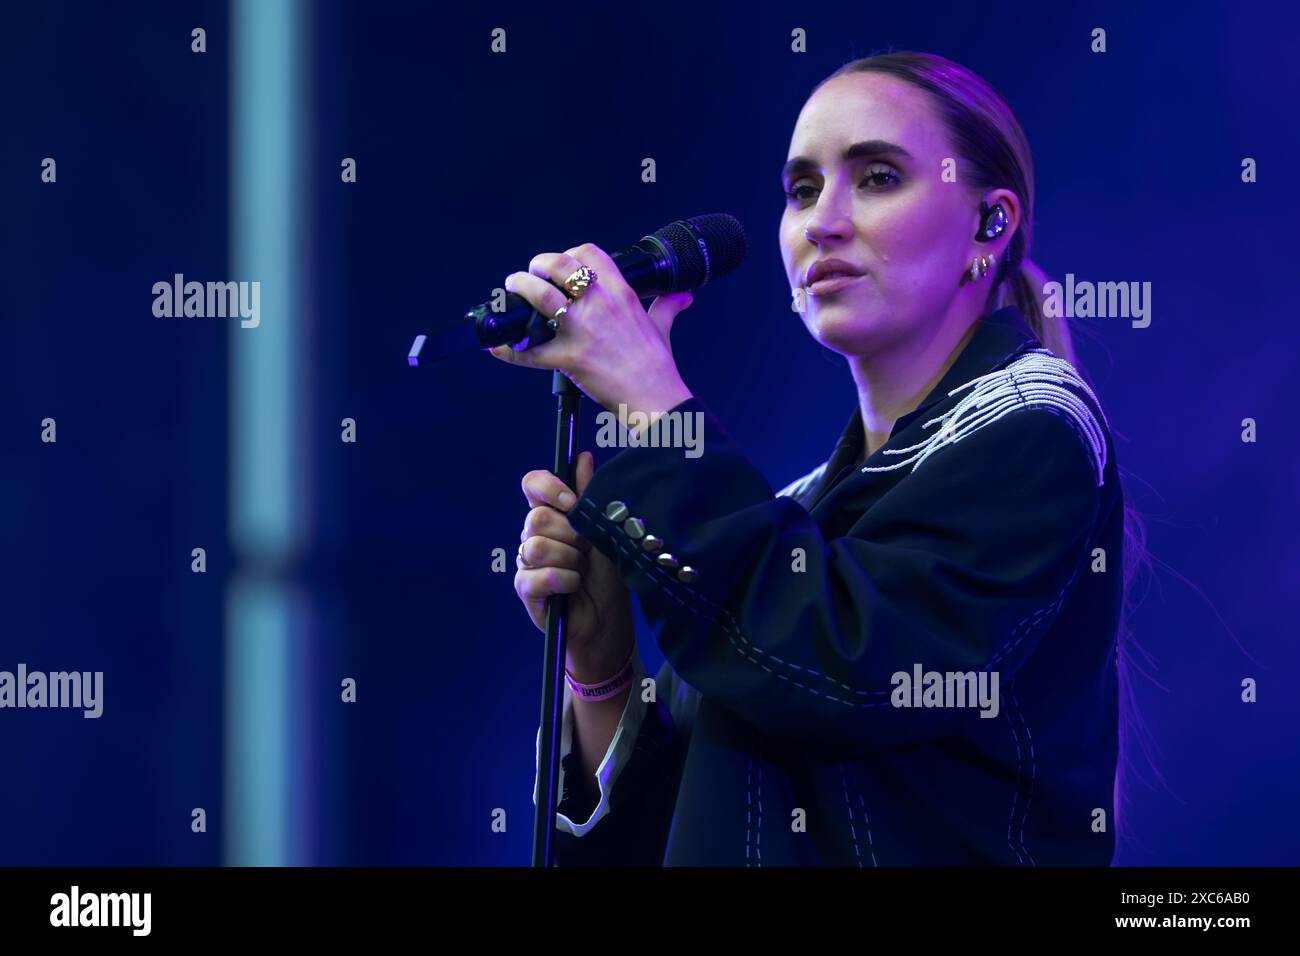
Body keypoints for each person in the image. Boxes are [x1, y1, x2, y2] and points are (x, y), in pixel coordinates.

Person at [493, 51, 1130, 866]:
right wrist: (602, 667)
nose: (823, 220)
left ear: (989, 223)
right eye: (801, 191)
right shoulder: (796, 514)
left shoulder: (1040, 422)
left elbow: (841, 671)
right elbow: (681, 836)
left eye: (876, 178)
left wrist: (652, 401)